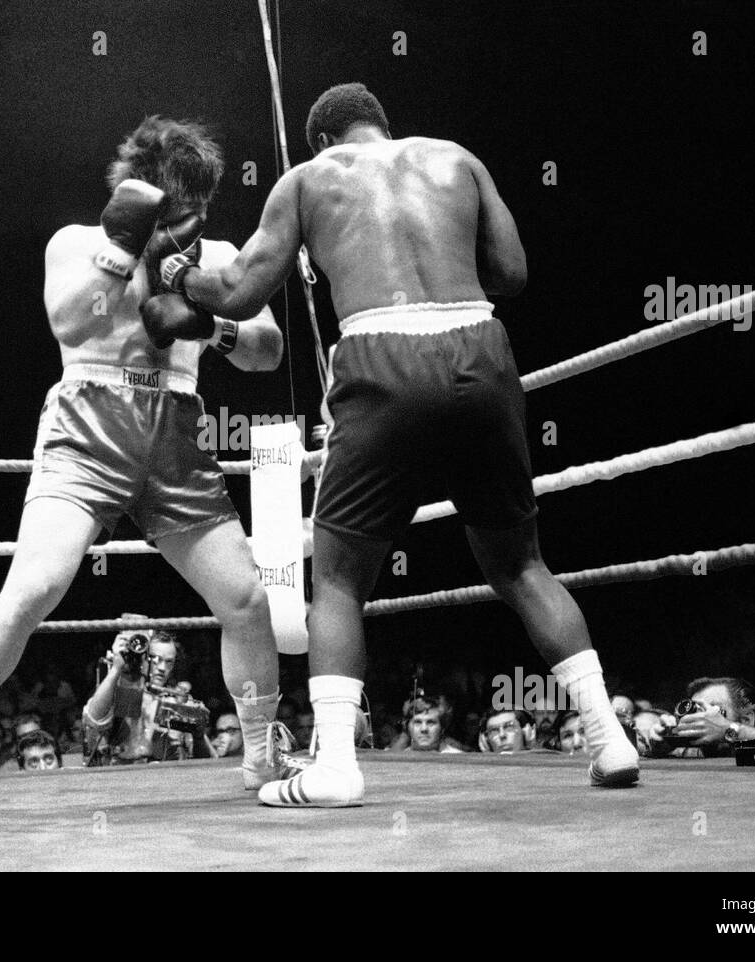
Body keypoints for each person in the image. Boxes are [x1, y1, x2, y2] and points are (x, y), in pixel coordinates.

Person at [158, 82, 640, 805]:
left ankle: (337, 767)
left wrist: (180, 274)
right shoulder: (458, 159)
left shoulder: (308, 179)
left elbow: (238, 296)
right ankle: (610, 739)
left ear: (324, 141)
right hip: (480, 346)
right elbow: (511, 275)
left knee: (343, 579)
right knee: (521, 566)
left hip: (383, 353)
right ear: (381, 124)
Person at [0, 117, 289, 816]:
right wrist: (120, 251)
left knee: (247, 601)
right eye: (173, 207)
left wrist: (212, 321)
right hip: (88, 423)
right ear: (138, 194)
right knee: (34, 589)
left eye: (198, 206)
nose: (189, 220)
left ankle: (261, 753)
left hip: (175, 434)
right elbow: (70, 324)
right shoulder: (78, 242)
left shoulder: (218, 254)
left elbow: (268, 349)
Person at [81, 621, 216, 764]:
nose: (162, 667)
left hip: (168, 780)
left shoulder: (176, 703)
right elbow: (93, 720)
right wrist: (116, 667)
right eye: (155, 659)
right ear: (142, 656)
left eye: (169, 662)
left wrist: (199, 736)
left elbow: (209, 763)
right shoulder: (122, 694)